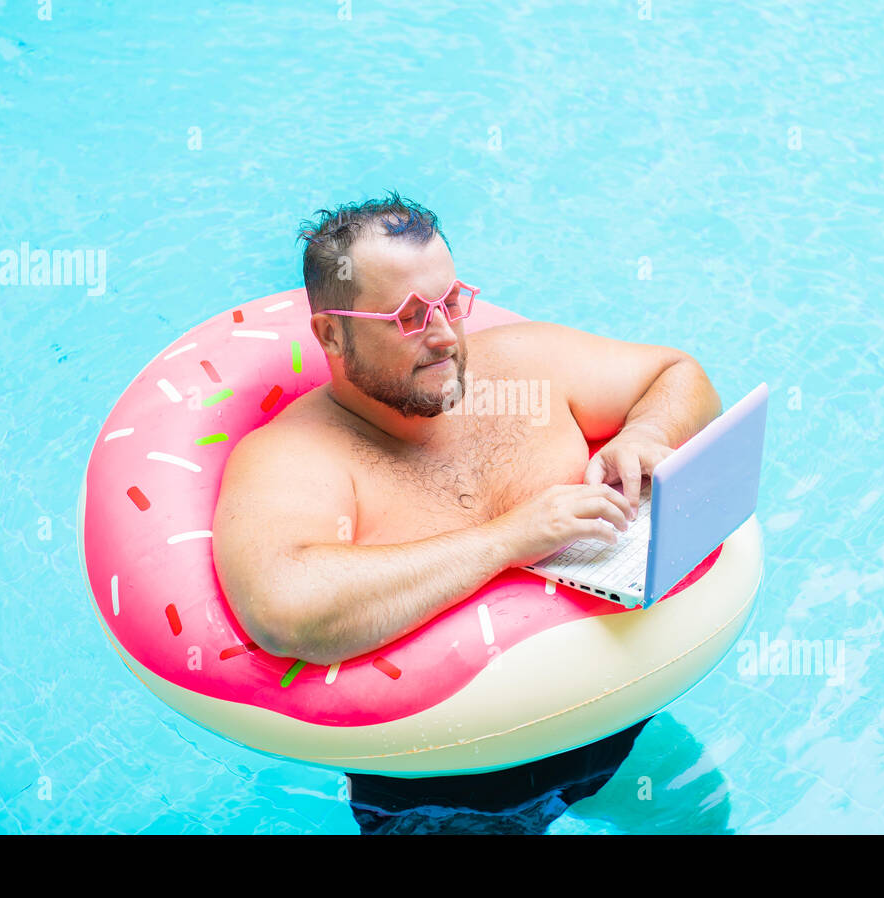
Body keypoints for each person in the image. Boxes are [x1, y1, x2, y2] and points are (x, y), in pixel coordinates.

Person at [211, 191, 721, 833]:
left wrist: (645, 434)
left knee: (708, 815)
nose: (445, 335)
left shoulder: (525, 365)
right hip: (442, 781)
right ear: (331, 334)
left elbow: (678, 374)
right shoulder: (296, 457)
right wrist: (511, 537)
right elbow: (286, 610)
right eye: (407, 316)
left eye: (450, 301)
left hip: (612, 710)